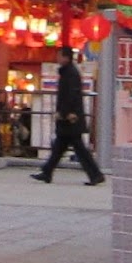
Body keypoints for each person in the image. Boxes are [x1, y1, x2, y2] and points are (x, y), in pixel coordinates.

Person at [31, 47, 106, 186]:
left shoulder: (70, 73)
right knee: (60, 147)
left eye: (59, 56)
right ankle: (47, 172)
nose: (57, 59)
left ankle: (95, 174)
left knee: (78, 149)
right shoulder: (68, 72)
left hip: (71, 118)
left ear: (66, 57)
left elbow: (71, 95)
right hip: (69, 118)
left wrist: (64, 112)